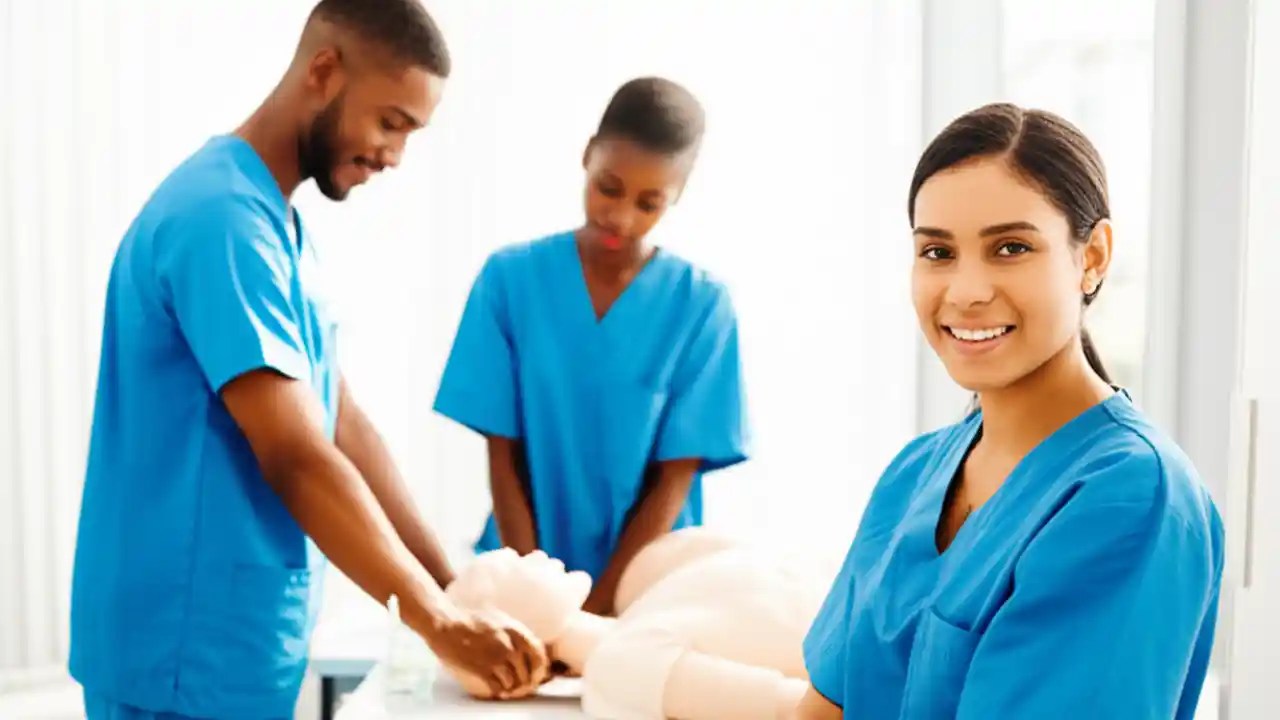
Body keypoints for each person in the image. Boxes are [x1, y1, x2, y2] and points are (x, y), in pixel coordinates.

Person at [68, 2, 547, 718]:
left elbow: (341, 425)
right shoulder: (220, 220)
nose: (394, 156)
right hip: (180, 657)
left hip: (238, 650)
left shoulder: (277, 226)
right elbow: (296, 453)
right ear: (323, 71)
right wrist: (437, 622)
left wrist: (451, 589)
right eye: (390, 122)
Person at [794, 104, 1224, 719]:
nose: (966, 291)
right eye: (938, 253)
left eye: (1011, 247)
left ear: (1093, 255)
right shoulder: (913, 474)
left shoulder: (1133, 496)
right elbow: (821, 710)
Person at [433, 76, 750, 616]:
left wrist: (599, 612)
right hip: (521, 577)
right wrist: (536, 599)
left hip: (650, 589)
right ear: (587, 156)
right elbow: (502, 455)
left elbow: (673, 481)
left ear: (680, 193)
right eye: (608, 187)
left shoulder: (701, 306)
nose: (621, 217)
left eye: (649, 203)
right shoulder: (510, 281)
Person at [441, 527, 831, 720]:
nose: (516, 552)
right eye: (500, 569)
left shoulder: (647, 592)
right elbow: (801, 709)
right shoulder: (619, 661)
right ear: (510, 642)